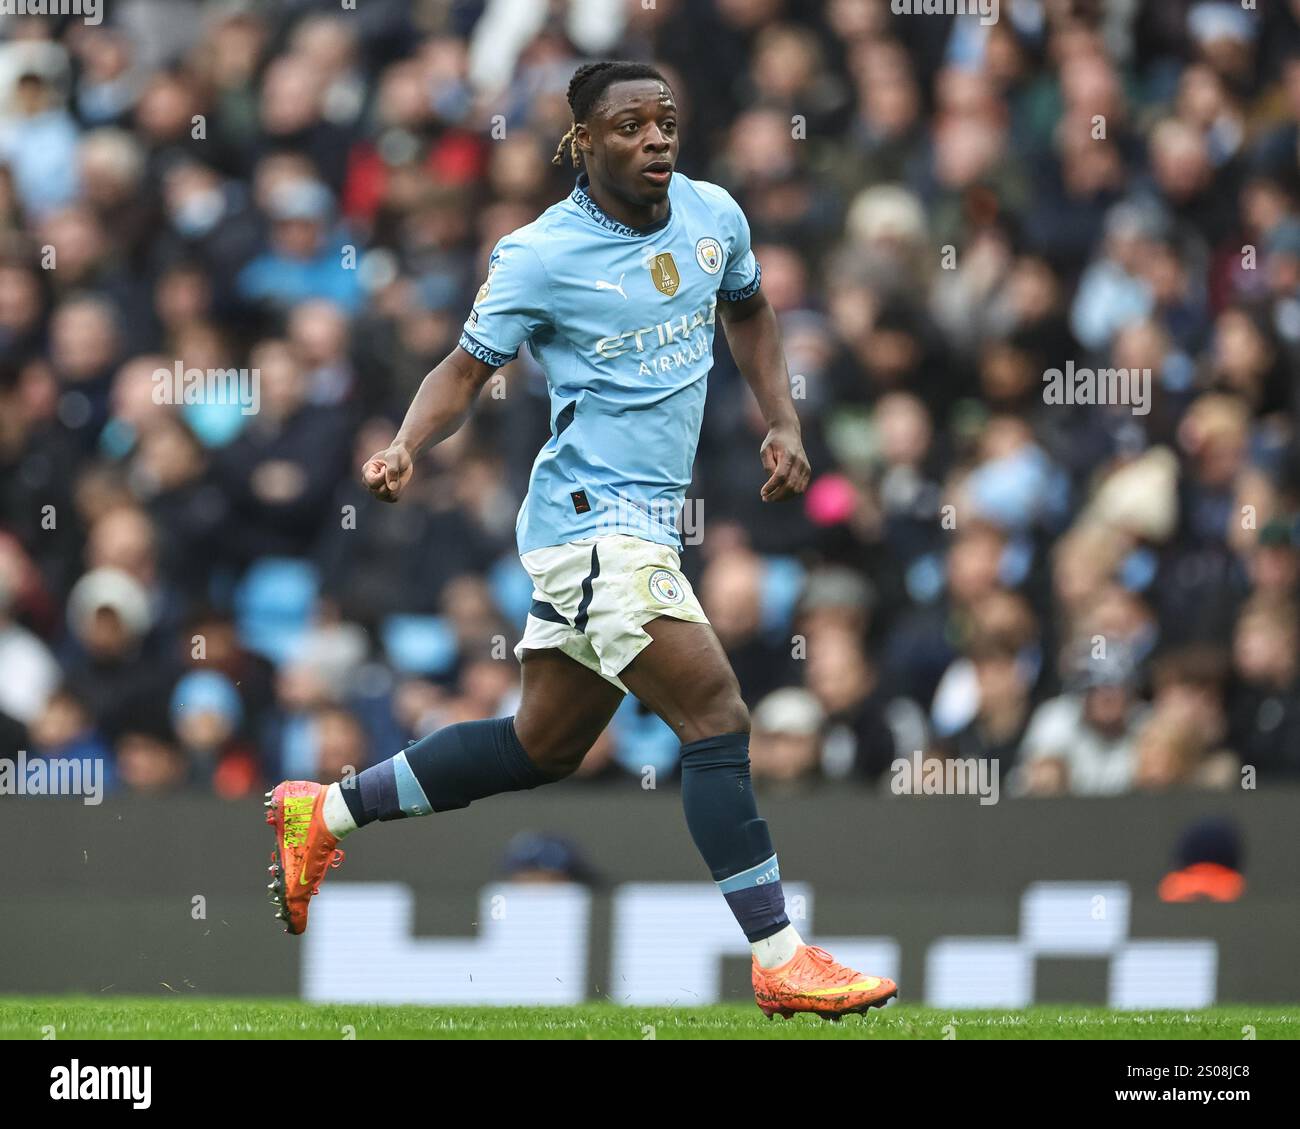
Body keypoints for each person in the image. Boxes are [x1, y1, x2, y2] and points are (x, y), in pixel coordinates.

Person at [263, 60, 896, 1020]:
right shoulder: (537, 255)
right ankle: (779, 953)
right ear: (583, 142)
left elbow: (753, 310)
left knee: (543, 744)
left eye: (666, 121)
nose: (656, 139)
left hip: (641, 532)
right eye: (632, 125)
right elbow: (465, 369)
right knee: (717, 717)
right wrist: (401, 444)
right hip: (590, 527)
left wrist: (785, 420)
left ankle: (328, 810)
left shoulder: (714, 214)